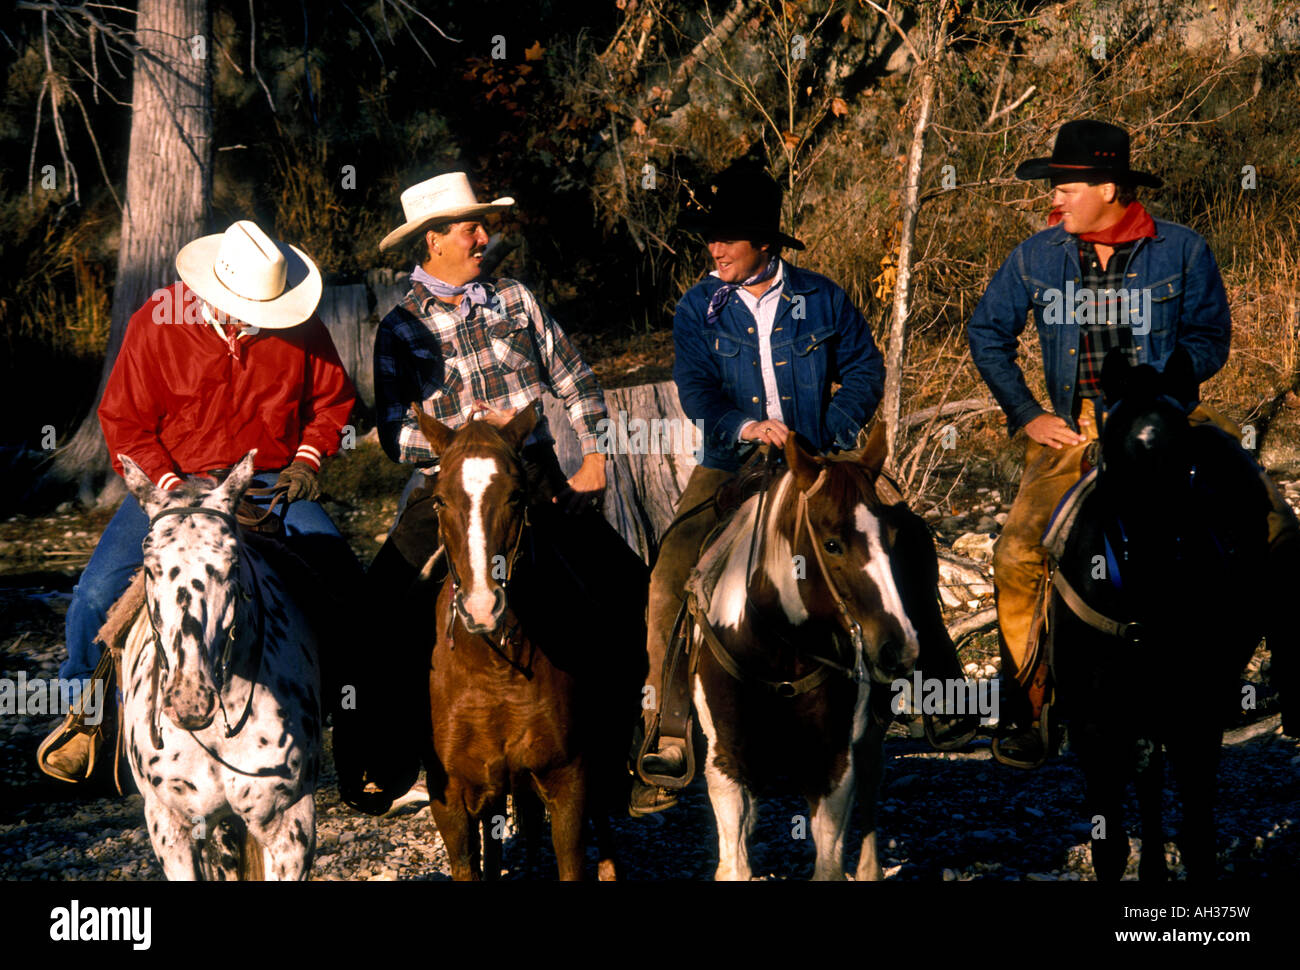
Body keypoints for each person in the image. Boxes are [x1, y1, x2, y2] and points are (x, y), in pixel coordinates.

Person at [630, 161, 977, 816]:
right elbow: (696, 390)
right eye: (710, 236)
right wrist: (743, 424)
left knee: (907, 536)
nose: (715, 249)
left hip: (818, 460)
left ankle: (940, 691)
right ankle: (669, 727)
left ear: (764, 239)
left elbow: (866, 368)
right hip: (730, 464)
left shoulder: (821, 297)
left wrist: (831, 434)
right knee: (669, 573)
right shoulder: (696, 309)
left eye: (727, 236)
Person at [967, 118, 1300, 768]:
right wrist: (1028, 414)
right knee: (1015, 555)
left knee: (1275, 523)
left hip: (1168, 422)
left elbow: (1211, 336)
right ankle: (1030, 705)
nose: (1055, 199)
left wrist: (1171, 384)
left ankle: (1291, 678)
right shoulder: (1035, 258)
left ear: (1111, 186)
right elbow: (988, 333)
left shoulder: (1183, 250)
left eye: (1068, 186)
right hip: (1076, 433)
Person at [358, 171, 648, 814]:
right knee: (379, 604)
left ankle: (632, 751)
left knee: (629, 586)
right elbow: (392, 432)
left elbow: (574, 376)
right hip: (451, 487)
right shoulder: (400, 328)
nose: (484, 237)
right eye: (471, 228)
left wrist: (596, 453)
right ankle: (386, 756)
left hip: (534, 477)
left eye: (482, 226)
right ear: (433, 240)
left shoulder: (515, 299)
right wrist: (462, 444)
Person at [38, 220, 358, 783]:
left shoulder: (301, 327)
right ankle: (86, 722)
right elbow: (125, 423)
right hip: (175, 485)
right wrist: (167, 492)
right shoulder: (158, 322)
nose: (255, 316)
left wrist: (308, 459)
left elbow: (332, 401)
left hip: (266, 481)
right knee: (95, 594)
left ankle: (362, 728)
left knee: (343, 576)